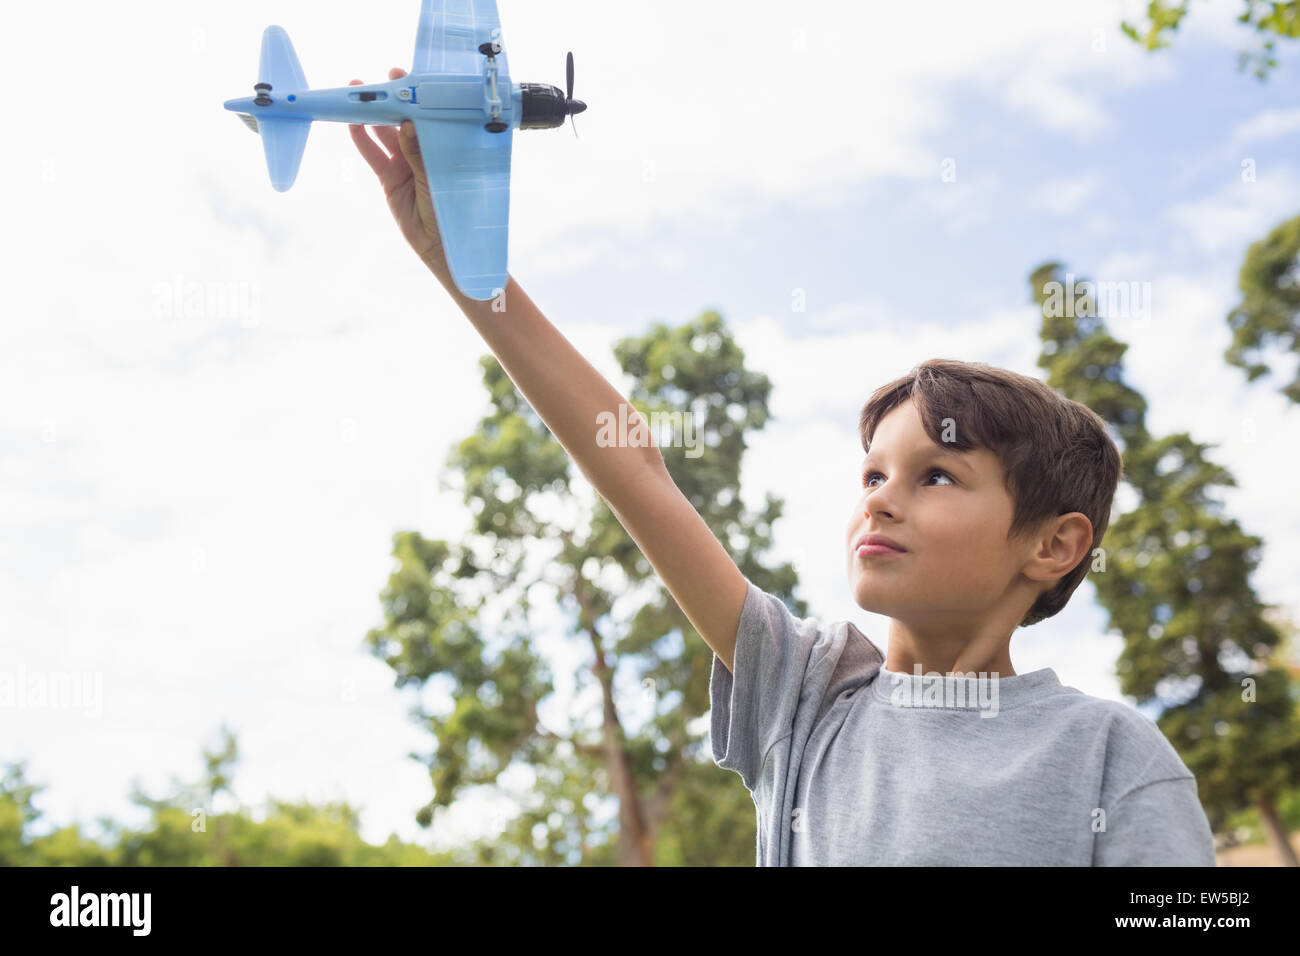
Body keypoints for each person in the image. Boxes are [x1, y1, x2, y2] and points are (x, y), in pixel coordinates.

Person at [346, 67, 1217, 866]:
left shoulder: (1112, 758)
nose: (881, 502)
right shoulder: (807, 700)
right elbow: (634, 466)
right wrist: (463, 269)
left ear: (1056, 545)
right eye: (872, 476)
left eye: (936, 476)